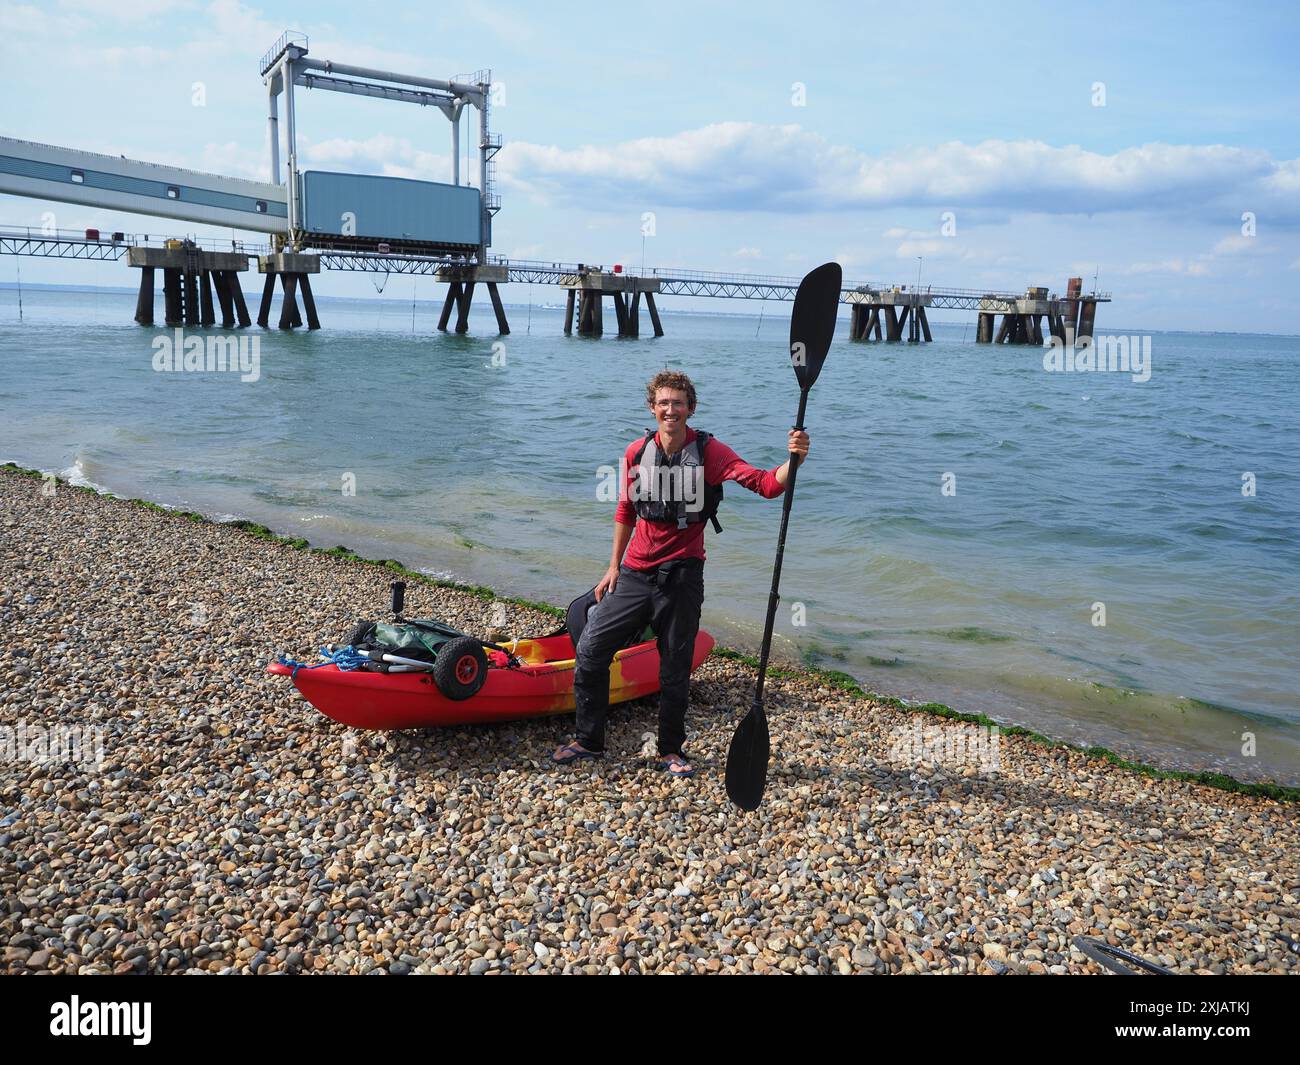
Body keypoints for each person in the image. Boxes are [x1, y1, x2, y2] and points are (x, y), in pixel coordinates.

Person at [552, 370, 810, 777]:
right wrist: (613, 566)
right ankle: (589, 740)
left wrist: (794, 460)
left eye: (678, 403)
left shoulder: (710, 452)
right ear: (652, 408)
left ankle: (670, 750)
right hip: (635, 573)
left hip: (682, 577)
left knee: (674, 668)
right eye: (663, 403)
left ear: (691, 408)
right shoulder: (637, 451)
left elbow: (766, 485)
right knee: (590, 650)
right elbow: (626, 510)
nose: (670, 410)